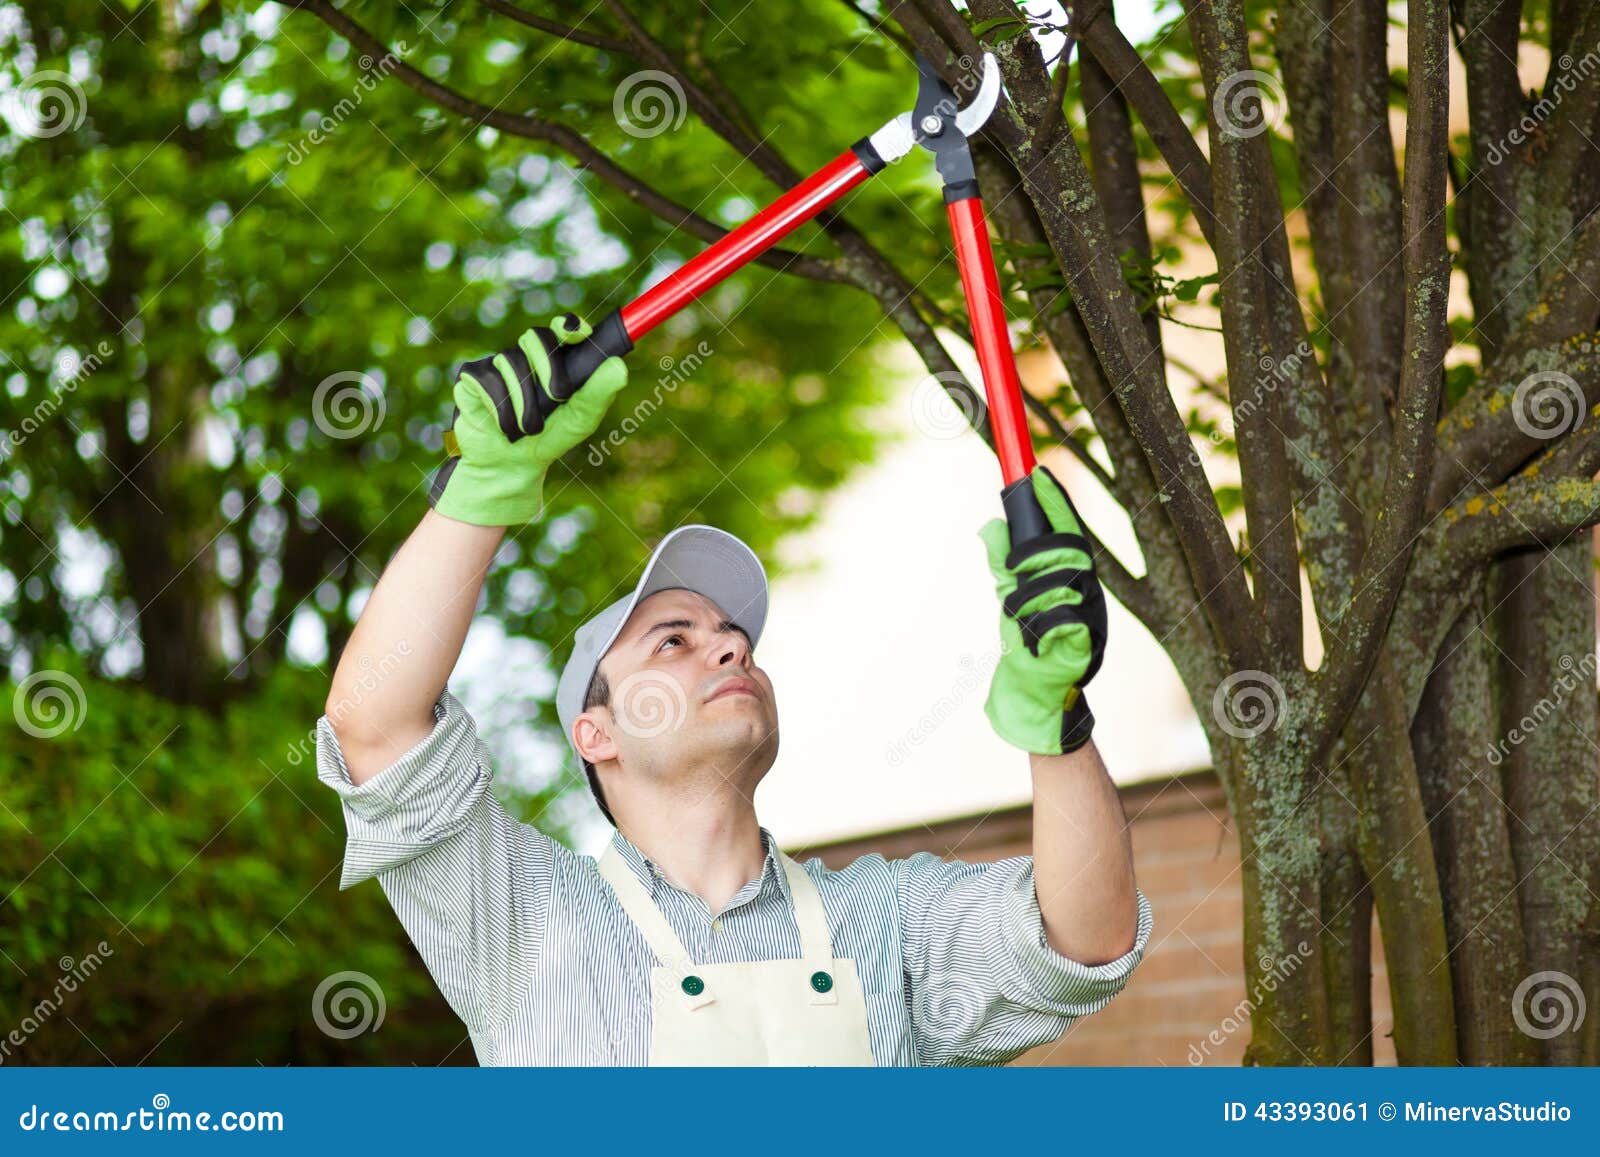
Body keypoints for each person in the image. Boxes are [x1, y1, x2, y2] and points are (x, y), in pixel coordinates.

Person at [316, 312, 1152, 1066]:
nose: (728, 645)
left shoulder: (887, 922)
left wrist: (1058, 722)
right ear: (595, 732)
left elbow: (1086, 939)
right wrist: (483, 490)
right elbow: (376, 725)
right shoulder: (525, 918)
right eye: (673, 640)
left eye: (734, 637)